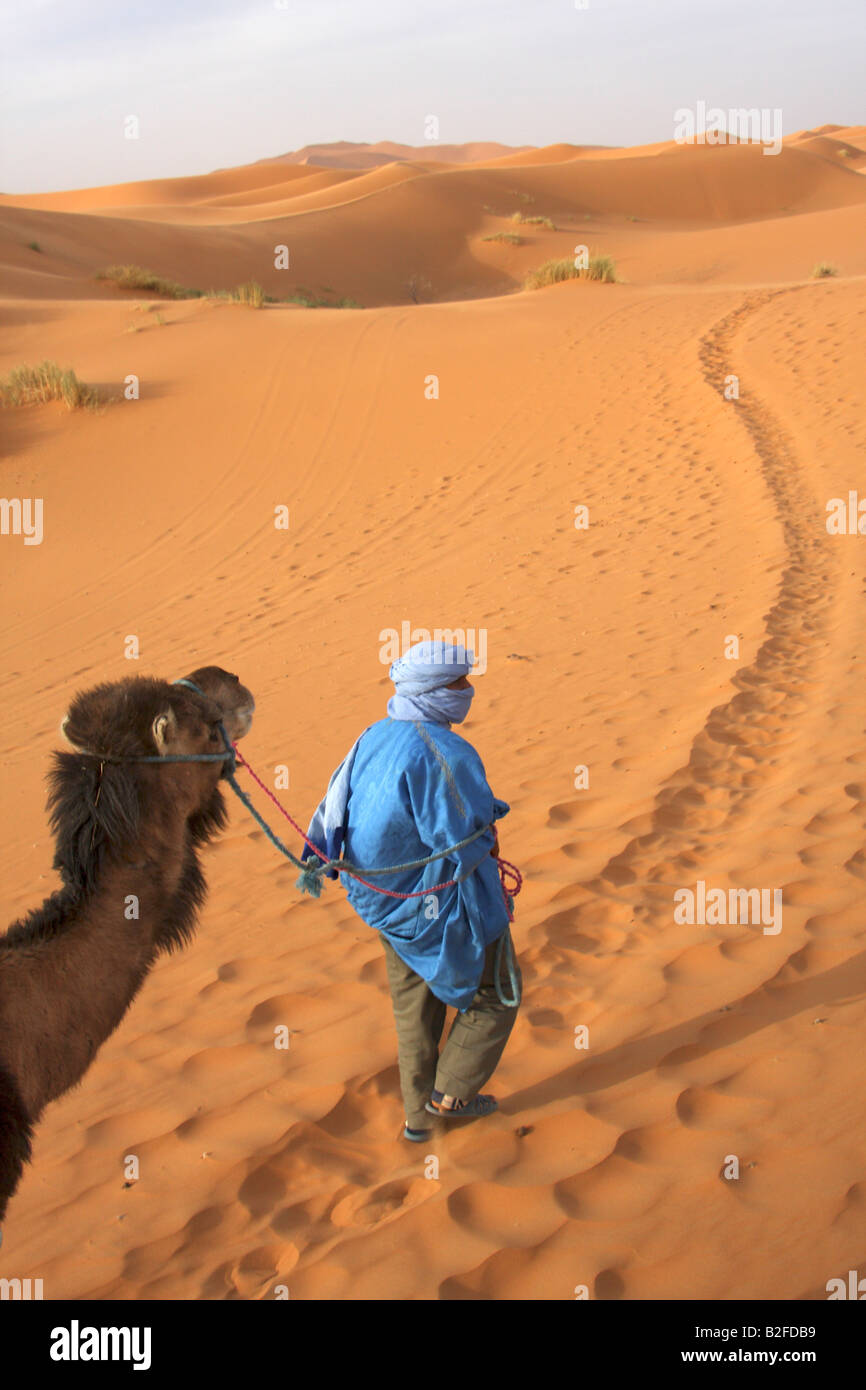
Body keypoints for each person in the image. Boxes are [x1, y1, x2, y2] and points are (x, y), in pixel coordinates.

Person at [301, 639, 521, 1141]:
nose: (467, 691)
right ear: (433, 692)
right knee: (497, 994)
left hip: (381, 904)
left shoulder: (374, 735)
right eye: (457, 684)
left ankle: (418, 1122)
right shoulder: (446, 752)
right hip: (431, 904)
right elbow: (465, 838)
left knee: (414, 1008)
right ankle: (449, 1095)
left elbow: (338, 806)